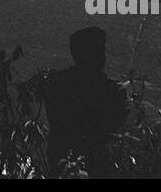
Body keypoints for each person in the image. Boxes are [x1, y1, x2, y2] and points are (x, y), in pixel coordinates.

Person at [39, 27, 128, 176]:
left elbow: (55, 120)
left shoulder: (57, 83)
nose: (104, 55)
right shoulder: (112, 90)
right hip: (97, 165)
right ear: (96, 54)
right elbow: (116, 126)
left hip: (60, 161)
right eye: (101, 50)